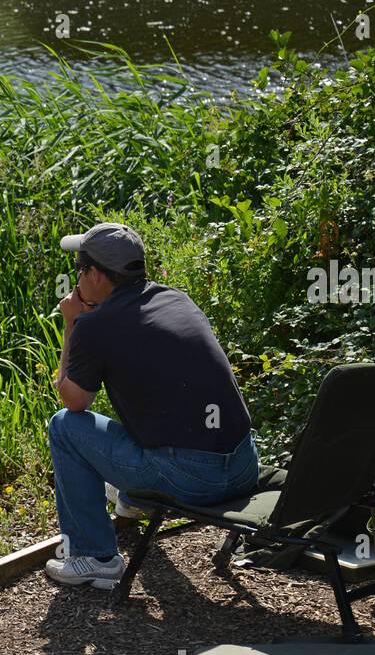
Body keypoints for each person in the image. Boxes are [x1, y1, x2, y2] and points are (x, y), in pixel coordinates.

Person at [46, 222, 259, 588]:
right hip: (242, 467)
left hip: (193, 480)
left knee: (64, 425)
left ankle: (94, 557)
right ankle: (132, 499)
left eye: (79, 270)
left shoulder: (94, 325)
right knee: (156, 403)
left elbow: (73, 399)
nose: (77, 278)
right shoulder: (177, 299)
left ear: (95, 275)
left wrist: (72, 324)